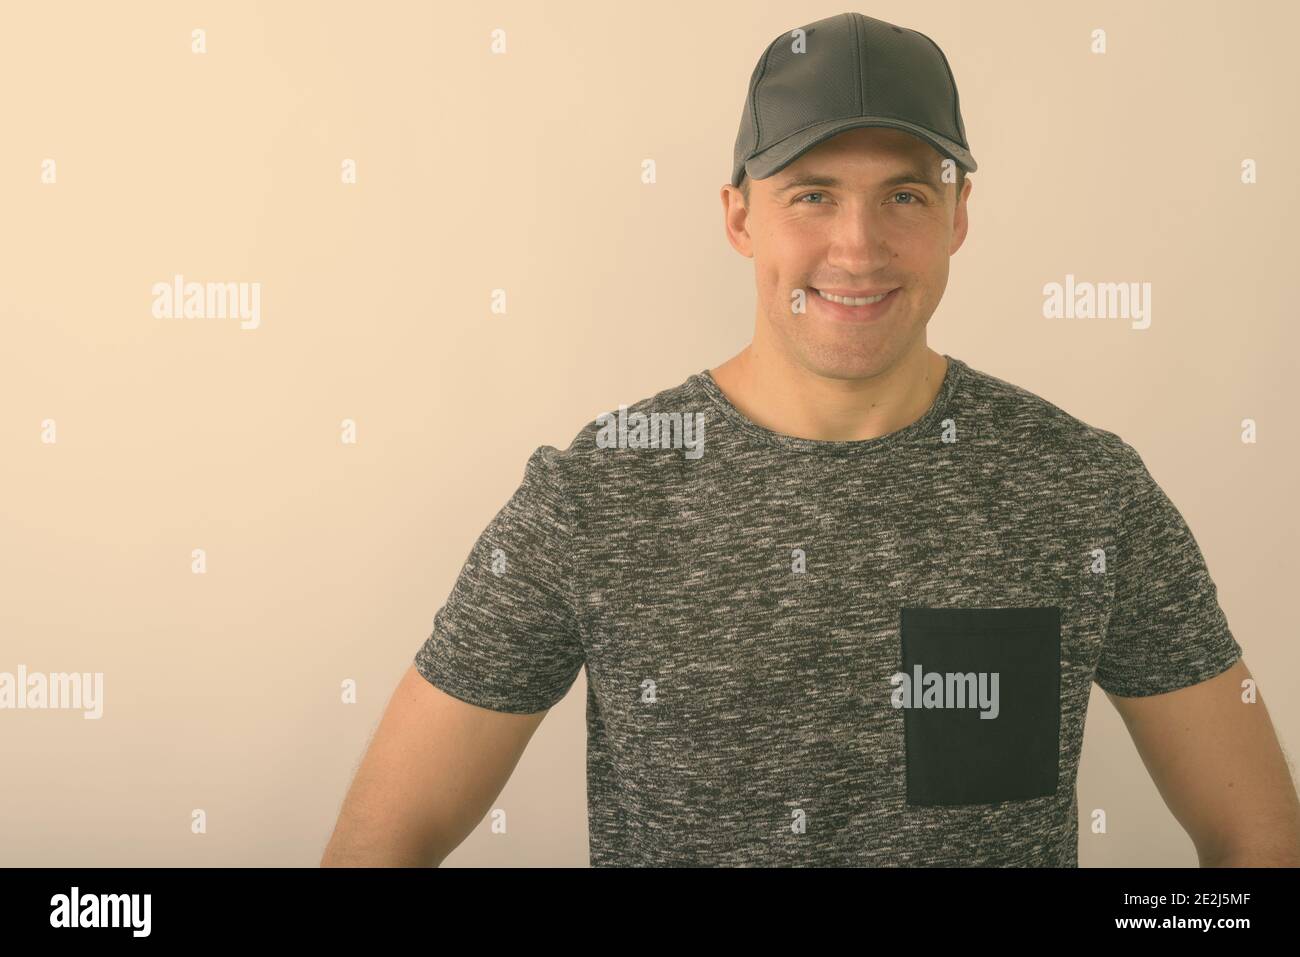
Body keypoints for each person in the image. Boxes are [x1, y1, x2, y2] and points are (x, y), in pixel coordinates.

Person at [321, 11, 1299, 867]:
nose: (858, 248)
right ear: (739, 216)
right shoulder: (597, 494)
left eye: (905, 195)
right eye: (812, 193)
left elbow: (1258, 837)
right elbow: (382, 842)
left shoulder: (1085, 490)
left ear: (958, 215)